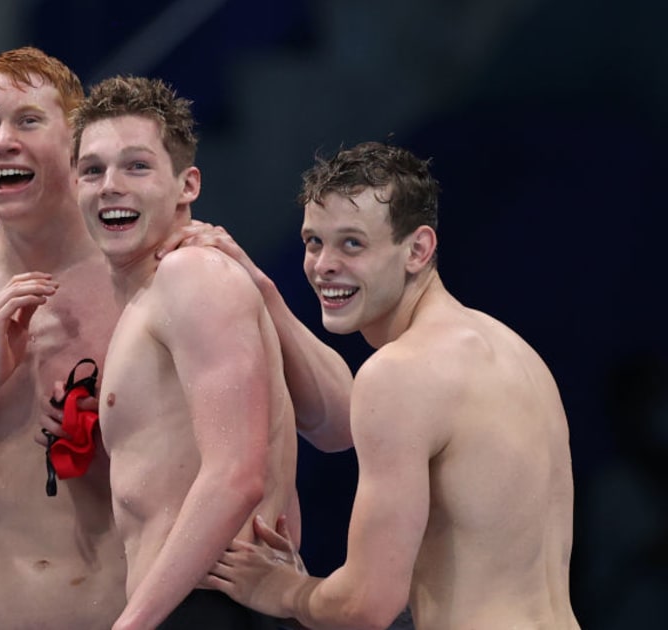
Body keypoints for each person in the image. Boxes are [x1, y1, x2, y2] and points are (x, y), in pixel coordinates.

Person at [0, 48, 352, 630]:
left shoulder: (162, 263)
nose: (3, 141)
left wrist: (267, 294)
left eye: (28, 121)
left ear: (72, 145)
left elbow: (334, 426)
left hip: (147, 613)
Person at [204, 141, 580, 629]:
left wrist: (281, 588)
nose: (323, 265)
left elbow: (366, 604)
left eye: (352, 243)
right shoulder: (514, 353)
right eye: (313, 242)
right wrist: (268, 297)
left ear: (418, 249)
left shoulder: (399, 373)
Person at [71, 75, 299, 630]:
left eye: (136, 166)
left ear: (186, 184)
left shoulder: (193, 275)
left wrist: (133, 624)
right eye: (93, 170)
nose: (110, 186)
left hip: (211, 608)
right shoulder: (149, 298)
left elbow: (236, 473)